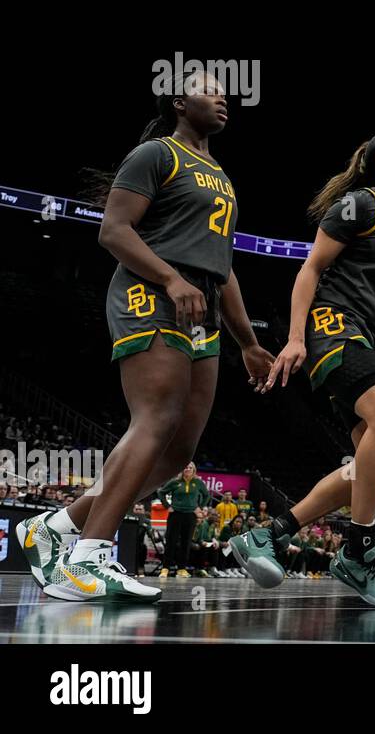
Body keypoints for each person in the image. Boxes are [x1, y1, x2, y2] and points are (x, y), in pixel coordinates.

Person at [19, 73, 273, 602]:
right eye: (210, 89)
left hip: (201, 307)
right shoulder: (156, 154)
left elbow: (223, 268)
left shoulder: (220, 175)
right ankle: (88, 556)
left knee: (180, 446)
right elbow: (113, 230)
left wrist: (248, 342)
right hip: (150, 294)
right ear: (181, 103)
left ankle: (55, 527)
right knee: (155, 420)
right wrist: (169, 278)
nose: (224, 97)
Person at [228, 130, 375, 608]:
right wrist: (296, 337)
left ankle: (270, 535)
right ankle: (358, 552)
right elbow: (309, 269)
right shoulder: (360, 206)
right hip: (335, 323)